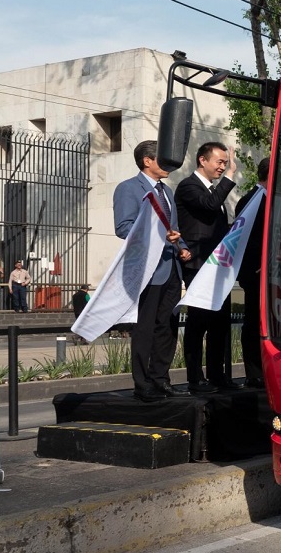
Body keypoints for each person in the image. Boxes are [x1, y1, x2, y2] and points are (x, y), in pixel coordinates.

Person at [114, 140, 192, 402]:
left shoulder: (167, 192)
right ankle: (142, 382)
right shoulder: (128, 189)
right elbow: (124, 228)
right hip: (147, 270)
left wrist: (181, 247)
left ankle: (161, 378)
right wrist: (159, 235)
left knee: (167, 327)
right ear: (147, 161)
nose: (169, 164)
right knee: (145, 328)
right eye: (163, 158)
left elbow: (173, 229)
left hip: (171, 269)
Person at [176, 141, 242, 392]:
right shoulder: (188, 186)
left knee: (220, 323)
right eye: (220, 162)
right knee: (198, 322)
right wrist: (231, 176)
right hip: (197, 263)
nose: (223, 167)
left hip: (218, 266)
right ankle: (195, 378)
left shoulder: (214, 190)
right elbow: (209, 205)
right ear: (203, 160)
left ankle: (218, 375)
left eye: (225, 163)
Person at [235, 158, 270, 389]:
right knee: (253, 321)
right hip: (255, 271)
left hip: (272, 273)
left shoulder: (271, 199)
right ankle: (254, 372)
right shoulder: (251, 200)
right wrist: (257, 264)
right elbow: (243, 237)